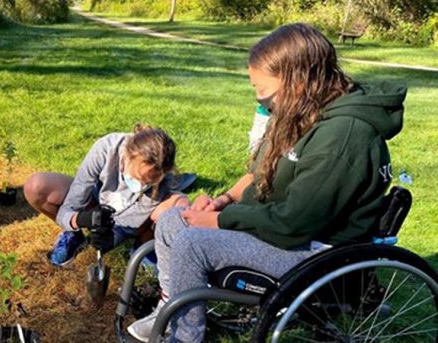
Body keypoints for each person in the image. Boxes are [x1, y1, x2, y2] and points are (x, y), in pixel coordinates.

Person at [127, 23, 406, 342]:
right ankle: (170, 308)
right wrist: (224, 201)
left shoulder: (344, 138)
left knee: (193, 242)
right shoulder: (307, 110)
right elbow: (261, 174)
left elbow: (294, 223)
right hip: (285, 229)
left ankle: (185, 336)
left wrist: (219, 220)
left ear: (298, 81)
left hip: (315, 252)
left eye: (266, 95)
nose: (264, 104)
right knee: (173, 222)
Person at [24, 125, 188, 266]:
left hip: (132, 219)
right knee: (37, 186)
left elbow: (128, 224)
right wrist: (80, 219)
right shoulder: (107, 148)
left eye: (148, 183)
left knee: (180, 204)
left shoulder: (163, 180)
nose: (141, 186)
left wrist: (110, 238)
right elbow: (71, 205)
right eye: (138, 178)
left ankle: (143, 248)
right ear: (127, 156)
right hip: (95, 201)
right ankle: (73, 236)